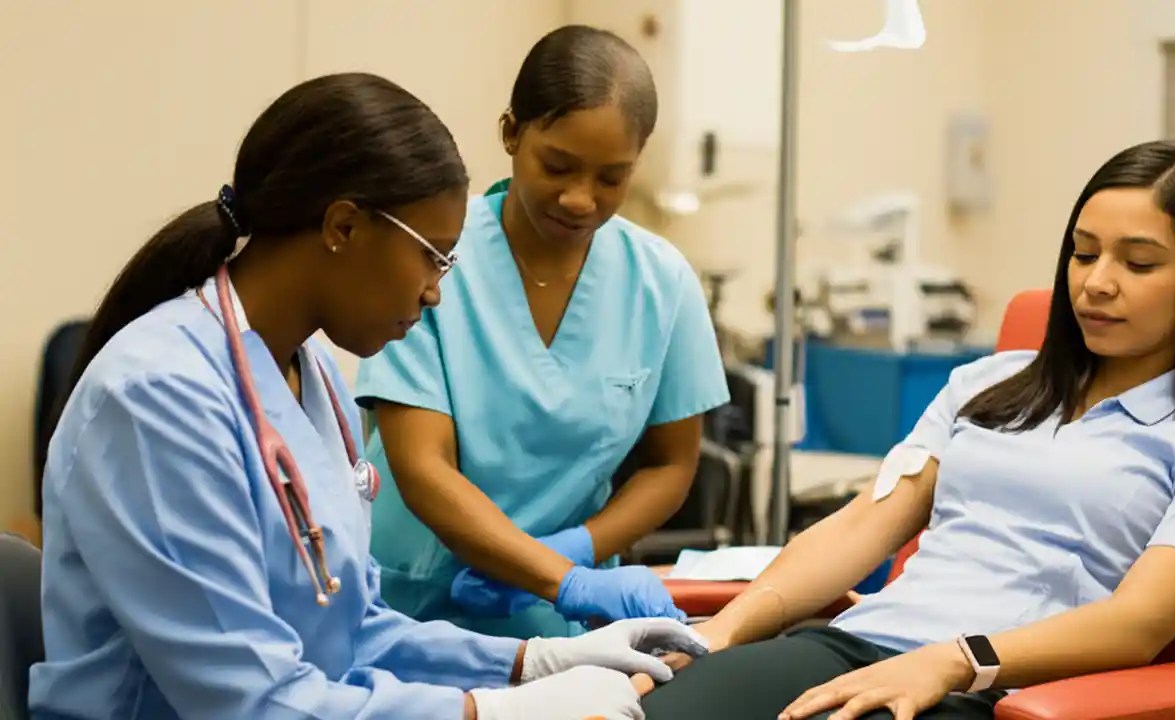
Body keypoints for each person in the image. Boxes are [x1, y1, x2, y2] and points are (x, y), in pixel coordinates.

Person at [27, 72, 709, 720]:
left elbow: (352, 631)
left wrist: (534, 662)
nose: (436, 290)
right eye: (432, 258)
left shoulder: (312, 376)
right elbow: (249, 703)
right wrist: (490, 709)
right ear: (344, 227)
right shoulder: (157, 400)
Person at [640, 139, 1175, 720]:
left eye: (1138, 264)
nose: (1096, 283)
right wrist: (721, 633)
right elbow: (866, 523)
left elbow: (1138, 625)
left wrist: (955, 659)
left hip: (995, 687)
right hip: (857, 643)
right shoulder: (988, 384)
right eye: (1083, 254)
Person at [354, 24, 730, 640]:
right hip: (409, 600)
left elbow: (670, 464)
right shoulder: (436, 255)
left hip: (556, 617)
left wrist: (578, 551)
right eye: (557, 166)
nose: (580, 199)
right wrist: (560, 576)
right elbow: (423, 467)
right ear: (510, 133)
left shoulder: (660, 282)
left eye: (611, 178)